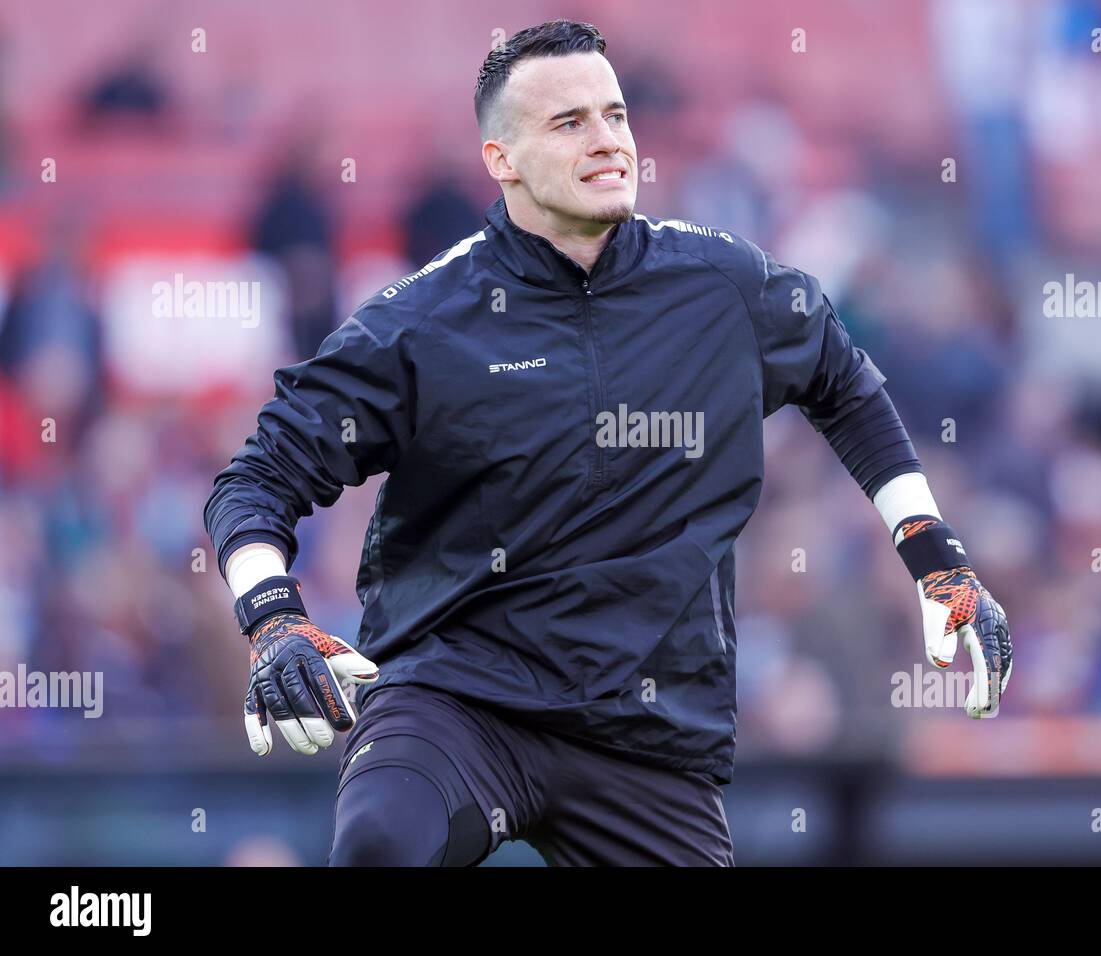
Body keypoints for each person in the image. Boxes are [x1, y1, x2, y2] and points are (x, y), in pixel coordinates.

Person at [204, 18, 1011, 867]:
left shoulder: (724, 287)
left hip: (646, 730)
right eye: (569, 122)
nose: (607, 141)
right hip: (459, 701)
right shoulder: (418, 322)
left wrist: (936, 556)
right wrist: (273, 618)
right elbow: (256, 480)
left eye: (616, 115)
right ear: (502, 160)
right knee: (378, 845)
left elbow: (845, 384)